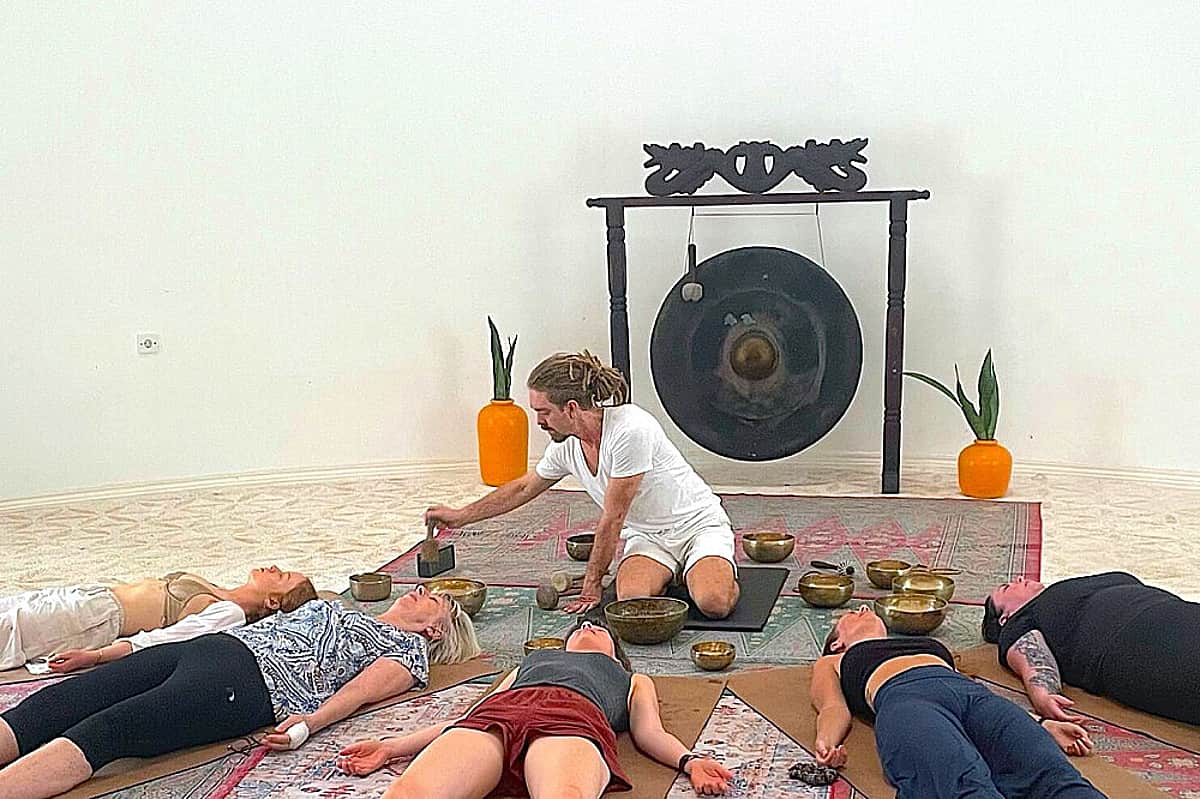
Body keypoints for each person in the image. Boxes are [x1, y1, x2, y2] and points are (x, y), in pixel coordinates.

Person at [0, 585, 480, 799]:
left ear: (436, 631)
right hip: (215, 647)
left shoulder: (406, 653)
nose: (422, 592)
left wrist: (309, 724)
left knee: (110, 729)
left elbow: (357, 694)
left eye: (434, 599)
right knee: (56, 703)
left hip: (247, 685)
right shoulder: (347, 609)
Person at [426, 351, 740, 618]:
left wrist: (592, 584)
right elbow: (524, 488)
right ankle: (683, 573)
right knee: (631, 600)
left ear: (572, 408)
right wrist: (460, 516)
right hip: (649, 536)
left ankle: (710, 570)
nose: (539, 421)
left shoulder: (631, 430)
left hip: (697, 527)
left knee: (713, 604)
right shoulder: (566, 445)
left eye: (544, 411)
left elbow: (613, 519)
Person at [337, 619, 733, 798]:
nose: (586, 627)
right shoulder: (528, 664)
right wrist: (392, 747)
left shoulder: (630, 679)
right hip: (500, 716)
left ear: (616, 650)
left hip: (572, 719)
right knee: (409, 793)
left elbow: (649, 733)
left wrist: (691, 762)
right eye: (578, 626)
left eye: (598, 628)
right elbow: (469, 717)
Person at [811, 605, 1105, 799]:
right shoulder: (834, 660)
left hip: (973, 697)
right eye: (851, 613)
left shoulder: (925, 645)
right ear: (838, 642)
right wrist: (826, 744)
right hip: (907, 701)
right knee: (965, 785)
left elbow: (977, 693)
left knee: (1054, 775)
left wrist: (1042, 724)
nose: (863, 608)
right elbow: (833, 707)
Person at [983, 572, 1200, 725]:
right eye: (1007, 587)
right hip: (1133, 641)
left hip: (1176, 612)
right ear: (1005, 617)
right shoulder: (1021, 621)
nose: (1019, 579)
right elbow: (1030, 653)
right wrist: (1043, 695)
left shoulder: (1066, 590)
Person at [1, 565, 317, 671]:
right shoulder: (223, 591)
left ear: (273, 601)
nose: (274, 567)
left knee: (10, 628)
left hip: (94, 620)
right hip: (90, 598)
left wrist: (94, 657)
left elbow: (162, 640)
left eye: (283, 575)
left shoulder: (229, 613)